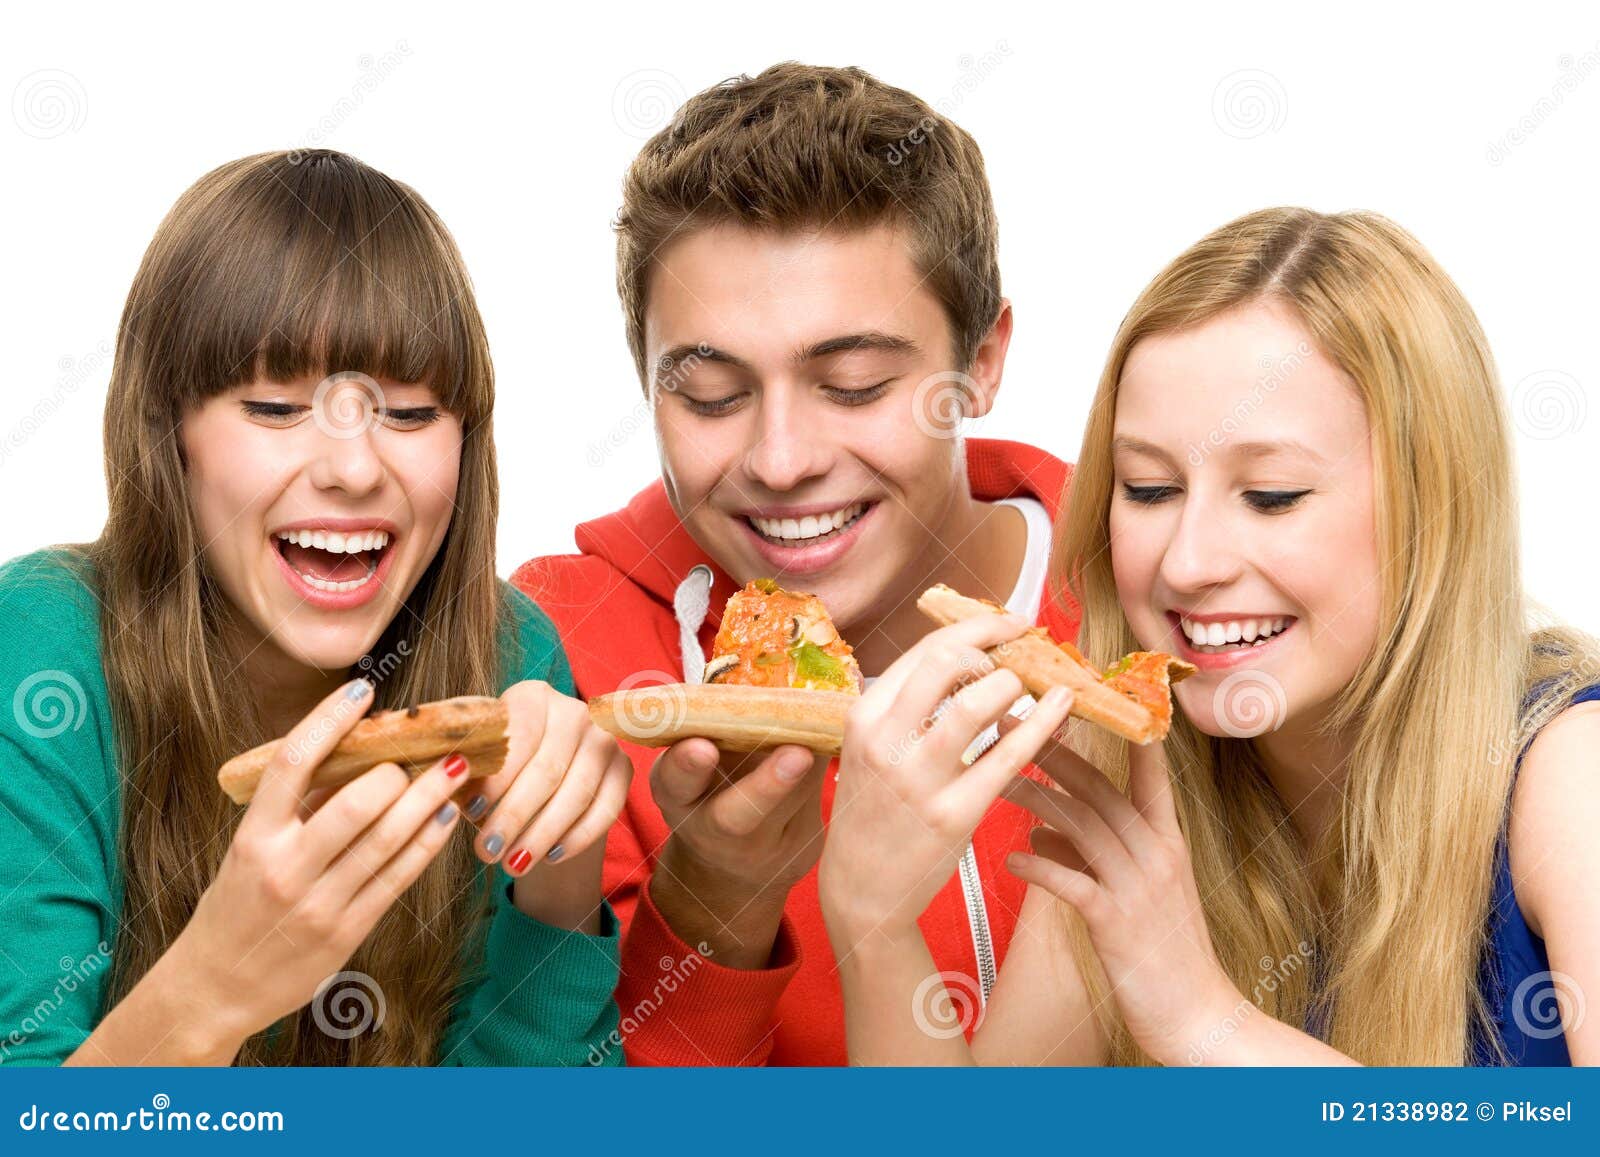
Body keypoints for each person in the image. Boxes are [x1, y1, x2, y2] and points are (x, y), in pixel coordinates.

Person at [820, 207, 1600, 1065]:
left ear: (1435, 513)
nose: (1186, 564)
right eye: (1149, 489)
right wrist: (878, 927)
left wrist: (1204, 1022)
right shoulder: (1133, 781)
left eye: (1271, 496)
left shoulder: (1570, 775)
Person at [0, 150, 631, 1066]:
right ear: (168, 434)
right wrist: (214, 985)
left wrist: (561, 882)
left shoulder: (512, 658)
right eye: (274, 405)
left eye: (410, 414)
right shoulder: (40, 650)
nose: (354, 467)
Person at [512, 62, 1078, 1065]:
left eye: (854, 384)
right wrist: (715, 904)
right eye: (713, 395)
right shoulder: (558, 652)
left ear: (981, 361)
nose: (781, 461)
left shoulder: (1168, 598)